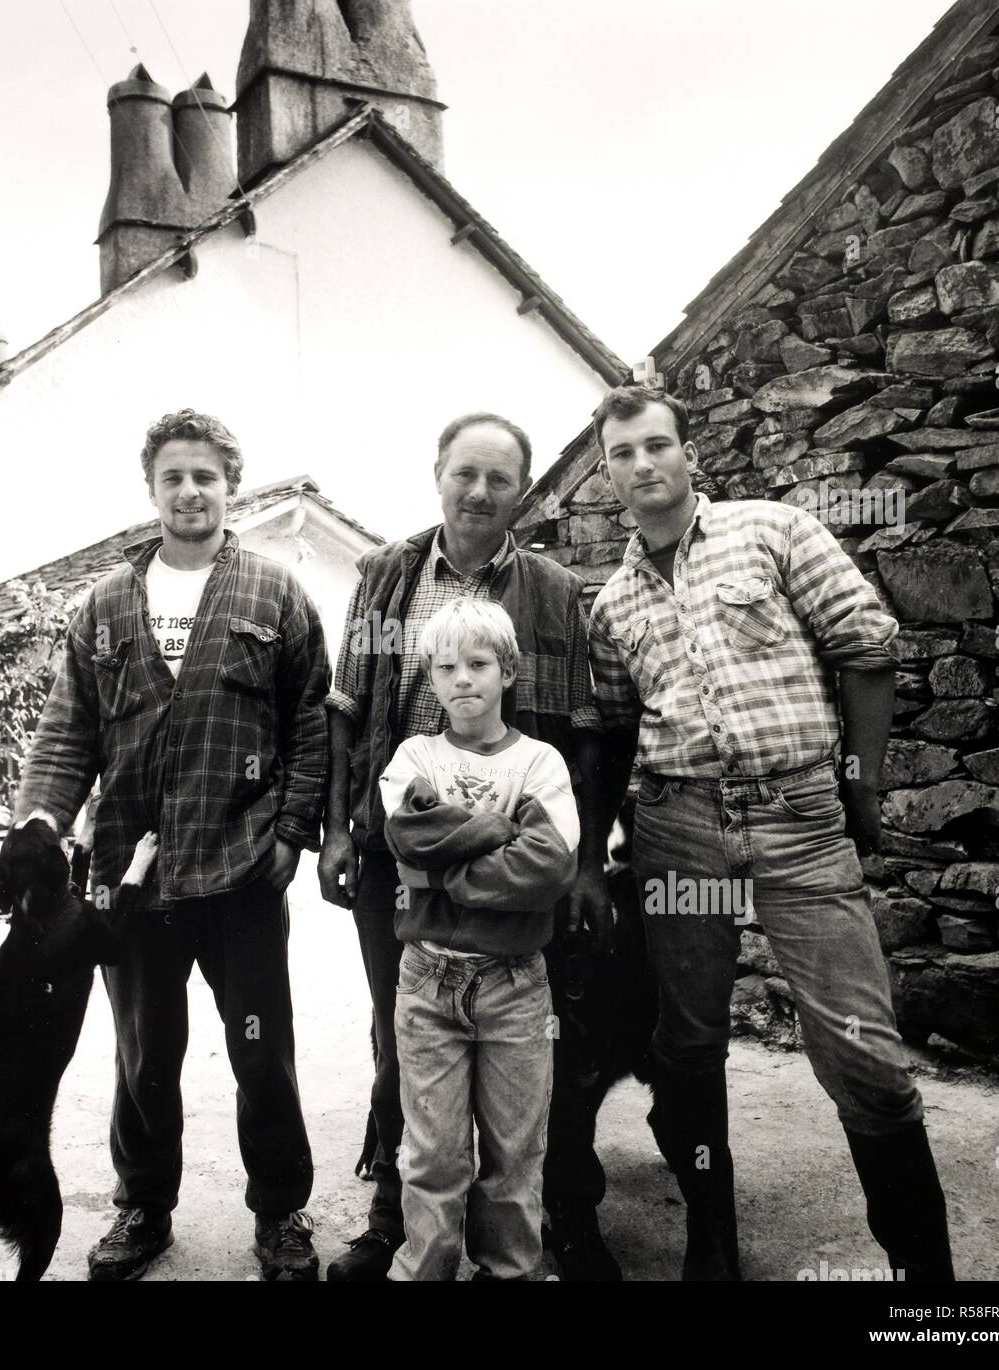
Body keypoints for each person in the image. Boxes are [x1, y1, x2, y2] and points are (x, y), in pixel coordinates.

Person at [585, 383, 954, 1282]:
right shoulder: (612, 607)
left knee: (864, 1052)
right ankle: (713, 1234)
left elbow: (867, 646)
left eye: (657, 445)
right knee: (691, 1035)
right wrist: (598, 851)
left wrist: (861, 789)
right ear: (607, 475)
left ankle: (925, 1283)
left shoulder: (775, 531)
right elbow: (612, 734)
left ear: (687, 452)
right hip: (678, 833)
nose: (644, 465)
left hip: (797, 822)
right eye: (624, 454)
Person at [9, 408, 330, 1282]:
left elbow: (309, 721)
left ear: (232, 486)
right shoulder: (105, 605)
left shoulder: (275, 593)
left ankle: (282, 1215)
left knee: (263, 1046)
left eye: (206, 477)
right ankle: (143, 1208)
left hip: (241, 865)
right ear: (151, 489)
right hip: (132, 873)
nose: (190, 492)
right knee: (145, 1052)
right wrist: (40, 821)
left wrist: (293, 833)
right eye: (173, 478)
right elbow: (66, 731)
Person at [319, 412, 621, 1282]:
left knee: (532, 1047)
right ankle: (394, 1223)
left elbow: (587, 729)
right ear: (438, 475)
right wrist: (338, 829)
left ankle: (559, 1217)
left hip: (513, 877)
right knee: (403, 1036)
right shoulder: (384, 575)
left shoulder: (555, 589)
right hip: (393, 858)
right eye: (466, 474)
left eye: (499, 479)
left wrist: (587, 863)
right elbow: (345, 709)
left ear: (521, 491)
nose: (480, 492)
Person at [379, 600, 578, 1281]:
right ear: (429, 680)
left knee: (516, 1153)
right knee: (433, 1154)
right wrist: (502, 828)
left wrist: (446, 869)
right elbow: (406, 842)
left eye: (478, 664)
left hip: (517, 985)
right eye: (445, 668)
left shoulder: (541, 762)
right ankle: (424, 1270)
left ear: (508, 671)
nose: (462, 679)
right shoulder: (415, 756)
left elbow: (549, 869)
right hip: (428, 981)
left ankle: (509, 1269)